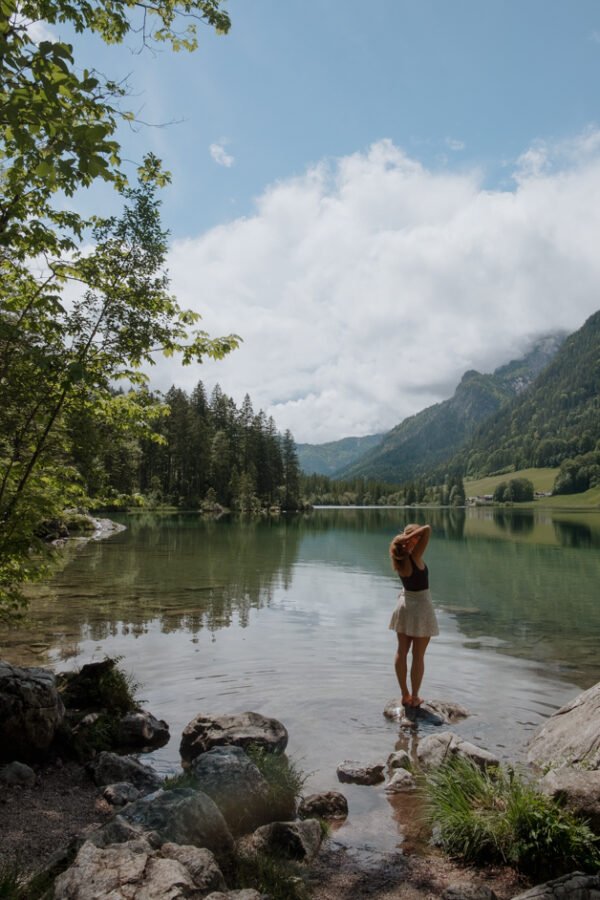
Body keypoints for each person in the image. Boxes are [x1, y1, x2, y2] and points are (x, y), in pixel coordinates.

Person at [388, 523, 439, 707]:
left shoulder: (399, 557)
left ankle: (405, 695)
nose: (420, 541)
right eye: (417, 538)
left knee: (401, 651)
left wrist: (403, 540)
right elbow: (427, 529)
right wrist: (408, 538)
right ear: (413, 539)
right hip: (421, 609)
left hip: (404, 606)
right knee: (418, 656)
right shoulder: (414, 556)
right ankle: (415, 697)